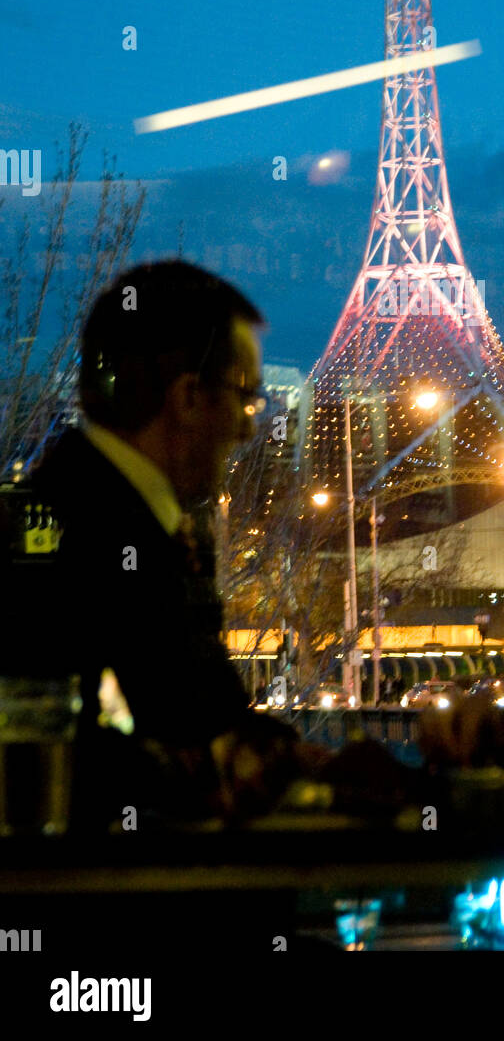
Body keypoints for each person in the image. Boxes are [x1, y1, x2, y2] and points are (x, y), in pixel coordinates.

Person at [28, 260, 307, 826]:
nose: (250, 426)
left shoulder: (94, 510)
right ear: (188, 398)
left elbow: (203, 719)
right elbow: (178, 739)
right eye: (246, 396)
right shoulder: (87, 533)